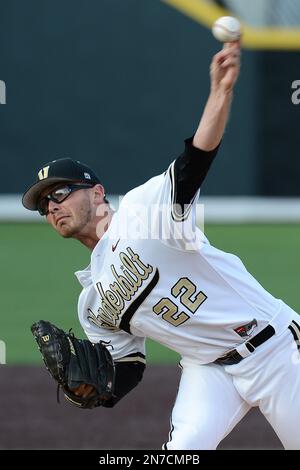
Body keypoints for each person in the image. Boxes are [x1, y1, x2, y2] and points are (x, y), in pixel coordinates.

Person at [22, 42, 300, 450]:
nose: (53, 206)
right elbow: (127, 368)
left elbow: (193, 162)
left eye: (61, 192)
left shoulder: (143, 211)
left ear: (98, 192)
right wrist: (95, 390)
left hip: (273, 349)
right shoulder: (92, 303)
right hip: (208, 371)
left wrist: (220, 93)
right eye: (44, 205)